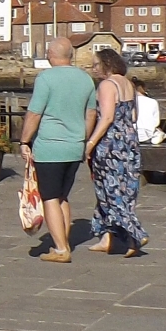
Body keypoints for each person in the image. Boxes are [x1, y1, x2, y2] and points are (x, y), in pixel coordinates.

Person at [18, 37, 97, 264]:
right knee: (62, 196)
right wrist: (83, 138)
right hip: (74, 146)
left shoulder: (46, 78)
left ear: (51, 54)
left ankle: (61, 249)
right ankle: (64, 240)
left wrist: (25, 141)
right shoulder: (85, 78)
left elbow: (34, 113)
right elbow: (91, 113)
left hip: (50, 146)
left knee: (49, 197)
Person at [82, 48, 147, 256]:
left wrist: (91, 142)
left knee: (110, 191)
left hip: (111, 144)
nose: (93, 69)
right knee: (123, 190)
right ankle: (107, 237)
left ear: (107, 65)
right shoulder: (128, 83)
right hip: (130, 141)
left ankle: (136, 233)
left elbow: (107, 117)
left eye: (96, 65)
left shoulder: (107, 85)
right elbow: (134, 116)